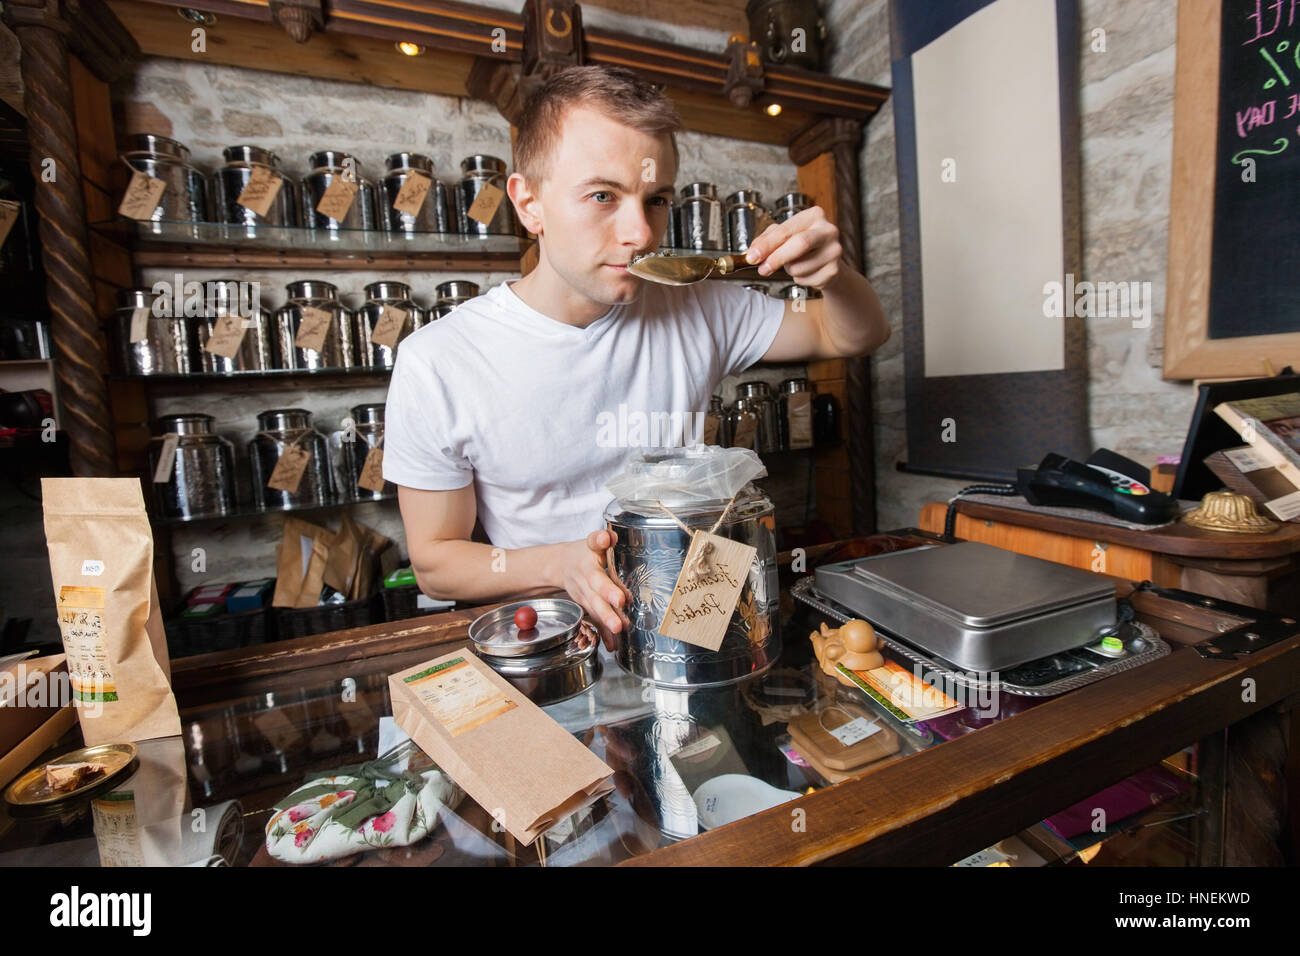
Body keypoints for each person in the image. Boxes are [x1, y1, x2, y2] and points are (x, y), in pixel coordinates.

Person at [384, 64, 888, 650]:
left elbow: (854, 334)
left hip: (706, 606)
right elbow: (436, 563)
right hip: (562, 631)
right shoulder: (439, 360)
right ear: (529, 204)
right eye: (602, 195)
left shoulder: (700, 304)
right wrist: (563, 562)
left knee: (725, 730)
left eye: (656, 200)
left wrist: (836, 274)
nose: (641, 232)